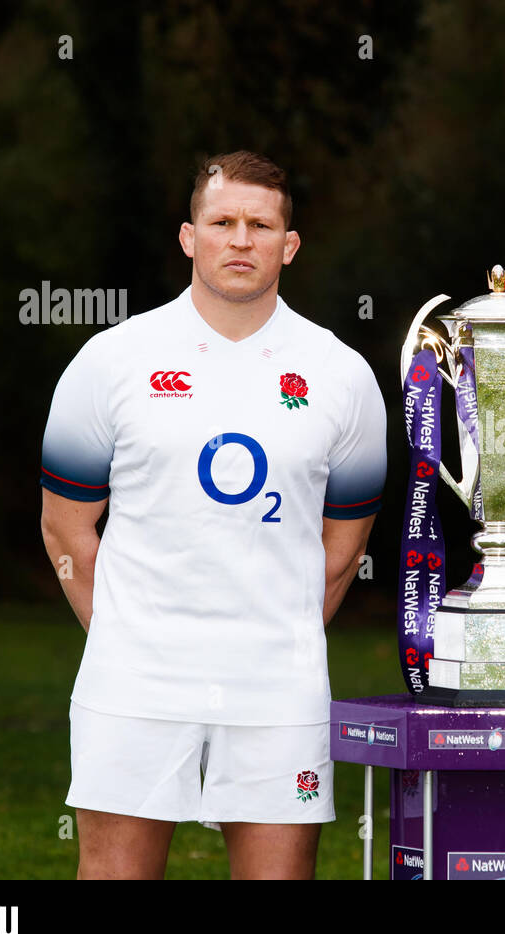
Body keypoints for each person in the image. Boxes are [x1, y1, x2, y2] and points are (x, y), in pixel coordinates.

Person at [39, 151, 386, 879]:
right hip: (133, 682)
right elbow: (66, 527)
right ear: (189, 237)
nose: (240, 239)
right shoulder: (112, 359)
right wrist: (126, 640)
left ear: (288, 245)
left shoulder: (341, 374)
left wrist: (277, 630)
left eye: (260, 225)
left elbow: (346, 543)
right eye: (221, 221)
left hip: (277, 687)